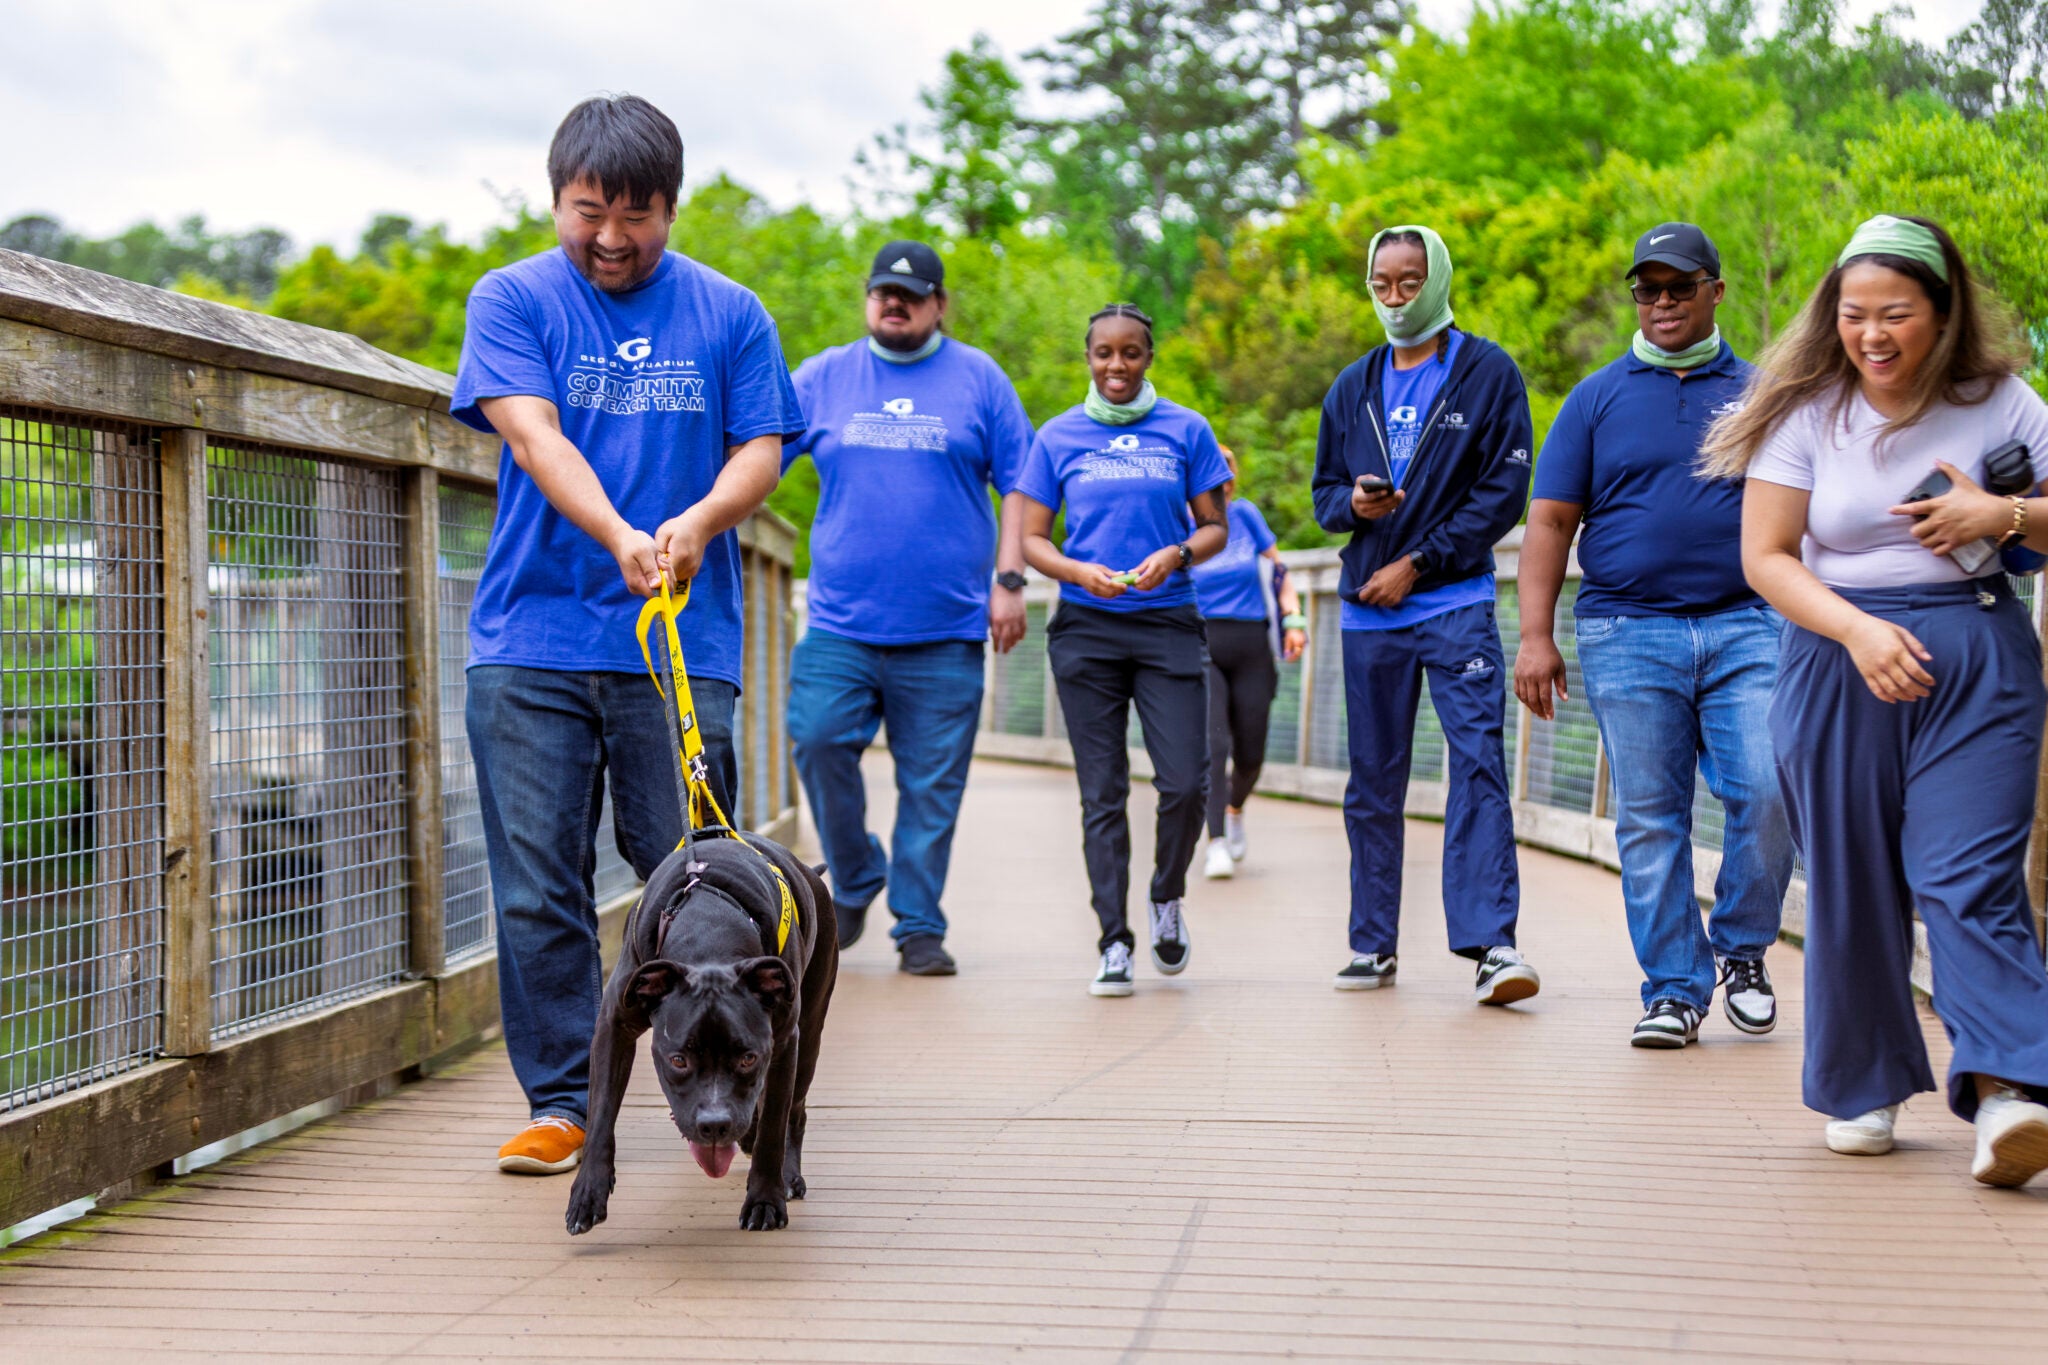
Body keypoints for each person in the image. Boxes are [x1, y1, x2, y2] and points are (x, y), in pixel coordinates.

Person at [450, 95, 803, 1177]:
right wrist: (616, 531)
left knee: (695, 873)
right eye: (587, 211)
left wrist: (698, 521)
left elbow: (761, 449)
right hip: (532, 636)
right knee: (536, 883)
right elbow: (533, 434)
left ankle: (733, 1078)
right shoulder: (512, 298)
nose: (609, 236)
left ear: (671, 208)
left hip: (678, 648)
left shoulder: (731, 312)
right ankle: (565, 1100)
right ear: (556, 199)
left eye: (634, 216)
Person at [1703, 213, 2048, 1185]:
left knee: (1966, 873)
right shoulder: (1805, 411)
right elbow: (1766, 556)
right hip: (1836, 654)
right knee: (1850, 878)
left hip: (1976, 656)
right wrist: (1856, 631)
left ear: (1941, 312)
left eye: (1894, 313)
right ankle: (1863, 1084)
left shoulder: (2003, 401)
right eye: (1853, 314)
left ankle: (2011, 1088)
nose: (1871, 334)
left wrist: (1999, 513)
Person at [1515, 223, 1793, 1049]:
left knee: (1773, 784)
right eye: (1648, 289)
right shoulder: (1596, 398)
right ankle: (1674, 987)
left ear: (1716, 290)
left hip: (1748, 623)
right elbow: (1550, 521)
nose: (1663, 302)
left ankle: (1741, 950)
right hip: (1626, 629)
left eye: (1680, 287)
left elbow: (1808, 510)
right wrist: (1535, 635)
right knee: (1650, 817)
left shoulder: (1765, 393)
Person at [782, 240, 1034, 977]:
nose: (895, 303)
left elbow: (1021, 485)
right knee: (817, 738)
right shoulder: (823, 376)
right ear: (868, 299)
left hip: (947, 627)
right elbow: (757, 455)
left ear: (939, 305)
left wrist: (1009, 579)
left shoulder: (980, 378)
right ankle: (857, 872)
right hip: (840, 623)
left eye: (912, 294)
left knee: (932, 785)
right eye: (883, 292)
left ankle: (919, 924)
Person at [1310, 224, 1539, 1004]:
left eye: (1410, 281)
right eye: (1382, 283)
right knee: (1373, 781)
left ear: (1437, 280)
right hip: (1368, 614)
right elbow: (1322, 496)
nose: (1396, 298)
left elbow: (1503, 494)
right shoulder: (1353, 385)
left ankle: (1492, 945)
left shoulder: (1487, 373)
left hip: (1454, 603)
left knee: (1476, 765)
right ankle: (1372, 943)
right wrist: (1355, 504)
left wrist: (1419, 562)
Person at [1018, 303, 1231, 997]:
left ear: (1148, 357)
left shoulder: (1186, 428)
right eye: (1104, 353)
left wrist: (1178, 554)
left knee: (1186, 783)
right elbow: (1031, 539)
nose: (1117, 365)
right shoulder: (1057, 436)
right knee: (1102, 793)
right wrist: (1077, 572)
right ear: (1088, 358)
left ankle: (1166, 894)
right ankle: (1114, 939)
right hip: (1088, 629)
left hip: (1168, 623)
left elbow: (1215, 526)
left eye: (1130, 352)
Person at [1191, 446, 1306, 880]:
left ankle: (1235, 809)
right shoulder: (1179, 522)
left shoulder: (1245, 515)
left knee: (1251, 753)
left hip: (1252, 644)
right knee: (1214, 744)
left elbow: (1280, 573)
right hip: (1201, 644)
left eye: (1226, 476)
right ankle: (1216, 842)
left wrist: (1294, 620)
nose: (1220, 484)